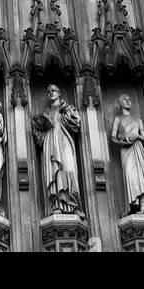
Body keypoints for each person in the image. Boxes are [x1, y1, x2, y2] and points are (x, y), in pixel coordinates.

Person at [32, 84, 83, 215]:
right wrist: (37, 125)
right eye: (48, 92)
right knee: (54, 174)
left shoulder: (67, 108)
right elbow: (40, 136)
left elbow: (76, 123)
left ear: (59, 93)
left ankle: (74, 205)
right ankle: (57, 205)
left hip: (64, 141)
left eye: (53, 91)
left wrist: (65, 110)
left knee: (69, 170)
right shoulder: (47, 112)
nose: (50, 93)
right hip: (50, 144)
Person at [111, 94, 144, 215]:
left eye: (130, 99)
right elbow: (113, 138)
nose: (128, 101)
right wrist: (123, 141)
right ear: (120, 103)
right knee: (130, 175)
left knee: (141, 175)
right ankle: (132, 204)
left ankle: (143, 203)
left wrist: (138, 136)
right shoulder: (118, 119)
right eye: (125, 100)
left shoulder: (138, 120)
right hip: (126, 150)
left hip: (138, 149)